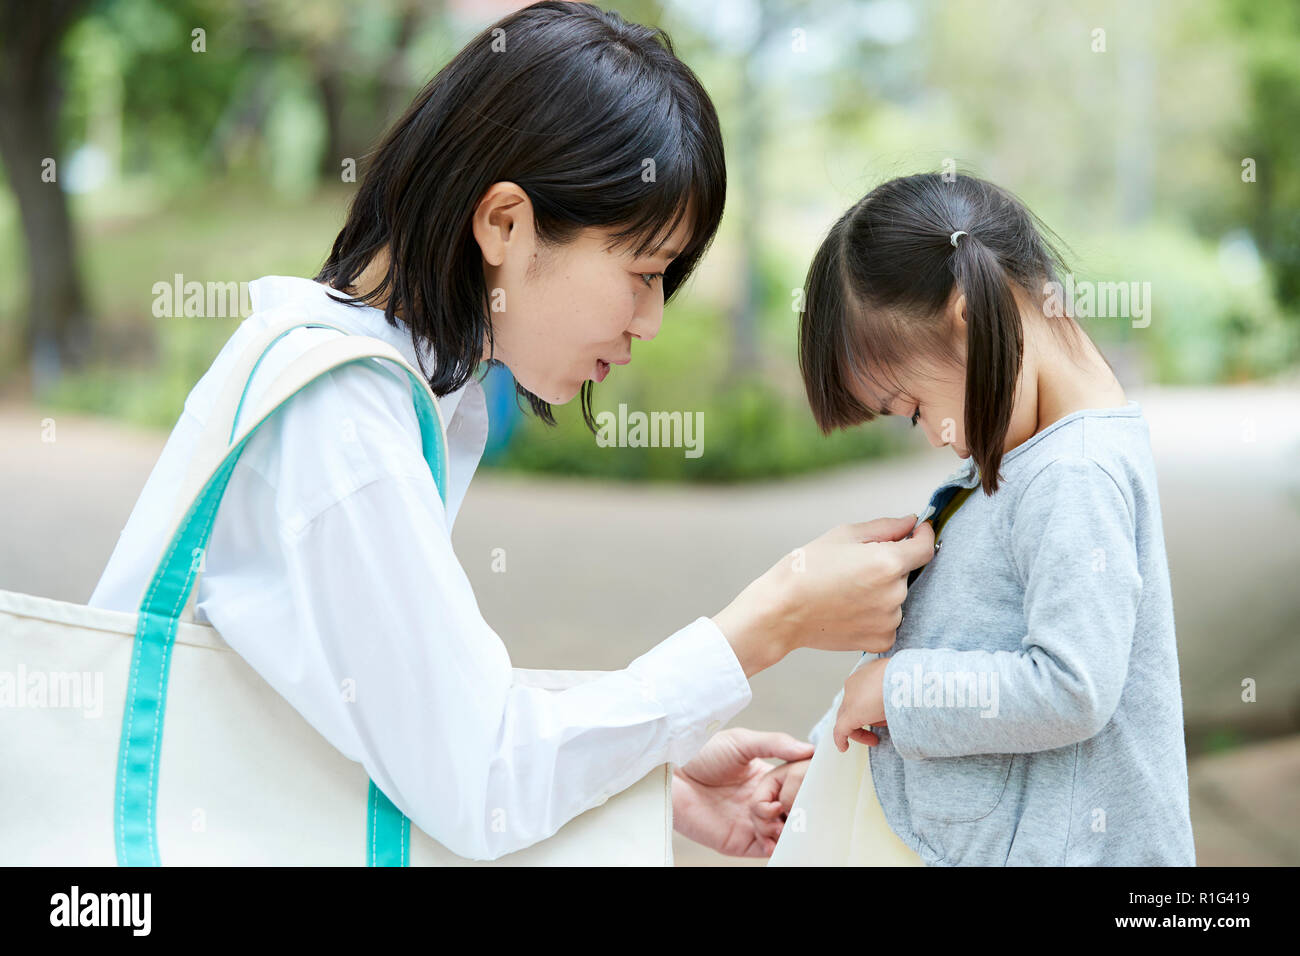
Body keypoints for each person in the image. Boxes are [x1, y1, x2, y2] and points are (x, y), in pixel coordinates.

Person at [88, 1, 935, 861]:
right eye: (643, 271)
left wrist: (653, 769)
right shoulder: (339, 414)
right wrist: (776, 617)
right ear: (503, 222)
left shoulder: (368, 386)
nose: (650, 321)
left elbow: (407, 707)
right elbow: (482, 786)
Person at [796, 171, 1196, 865]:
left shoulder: (1074, 475)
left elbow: (1072, 687)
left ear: (973, 320)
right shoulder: (1033, 455)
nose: (932, 437)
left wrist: (897, 690)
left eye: (912, 407)